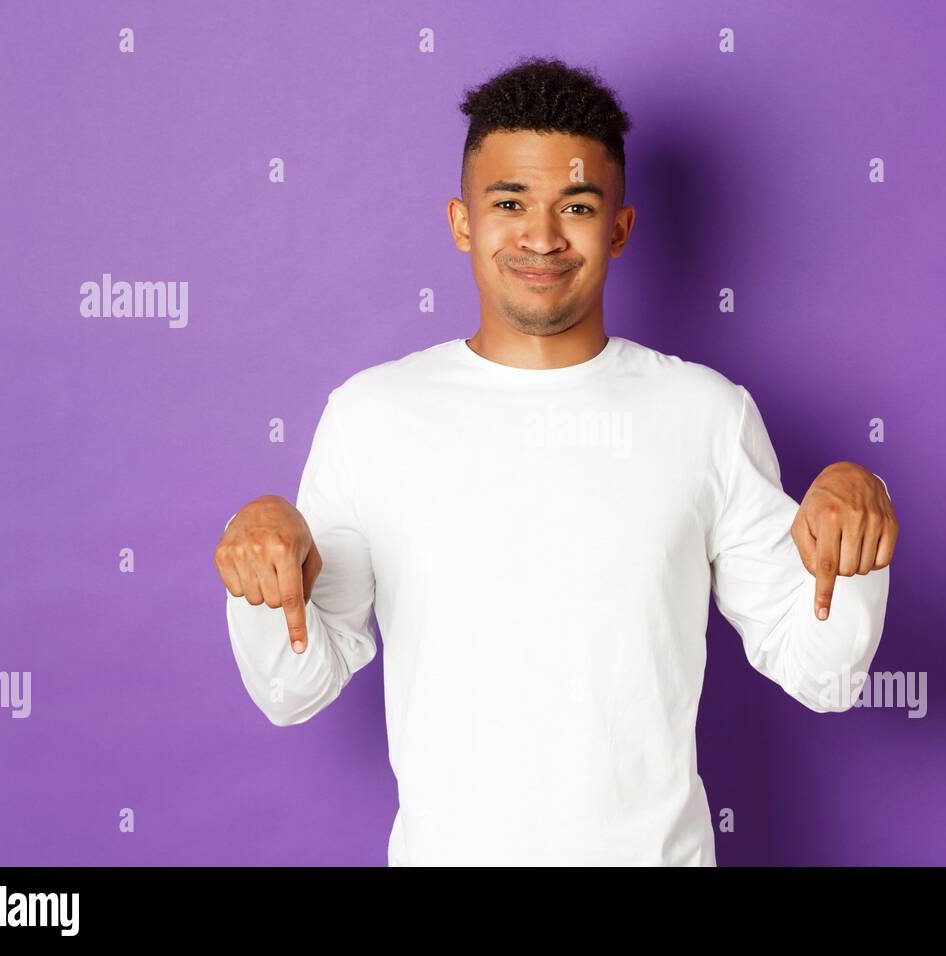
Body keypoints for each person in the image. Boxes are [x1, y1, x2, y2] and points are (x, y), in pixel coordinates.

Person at [212, 56, 897, 866]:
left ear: (619, 227)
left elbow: (823, 673)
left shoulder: (705, 414)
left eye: (576, 205)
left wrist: (859, 506)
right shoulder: (372, 417)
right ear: (463, 222)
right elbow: (293, 689)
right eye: (509, 203)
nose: (541, 237)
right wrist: (260, 561)